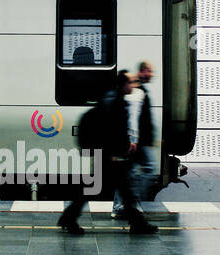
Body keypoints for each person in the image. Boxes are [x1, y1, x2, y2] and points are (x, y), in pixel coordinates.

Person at [58, 71, 157, 237]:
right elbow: (111, 130)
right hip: (108, 155)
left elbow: (116, 129)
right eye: (131, 82)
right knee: (110, 190)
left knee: (119, 190)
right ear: (124, 84)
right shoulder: (115, 101)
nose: (134, 85)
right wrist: (114, 152)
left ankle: (137, 222)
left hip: (108, 154)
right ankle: (69, 218)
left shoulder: (113, 99)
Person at [112, 60, 158, 217]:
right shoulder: (137, 94)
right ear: (143, 71)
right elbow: (134, 119)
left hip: (135, 141)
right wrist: (134, 139)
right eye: (149, 71)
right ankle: (132, 204)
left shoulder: (138, 92)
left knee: (128, 173)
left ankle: (121, 206)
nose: (151, 74)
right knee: (148, 169)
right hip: (136, 142)